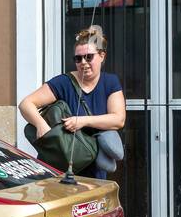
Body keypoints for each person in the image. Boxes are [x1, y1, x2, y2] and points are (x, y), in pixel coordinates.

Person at [17, 25, 126, 178]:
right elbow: (26, 104)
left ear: (102, 56)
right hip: (58, 167)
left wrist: (82, 121)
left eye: (89, 57)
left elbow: (118, 120)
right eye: (78, 58)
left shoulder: (110, 82)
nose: (83, 62)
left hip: (94, 171)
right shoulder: (64, 82)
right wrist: (41, 124)